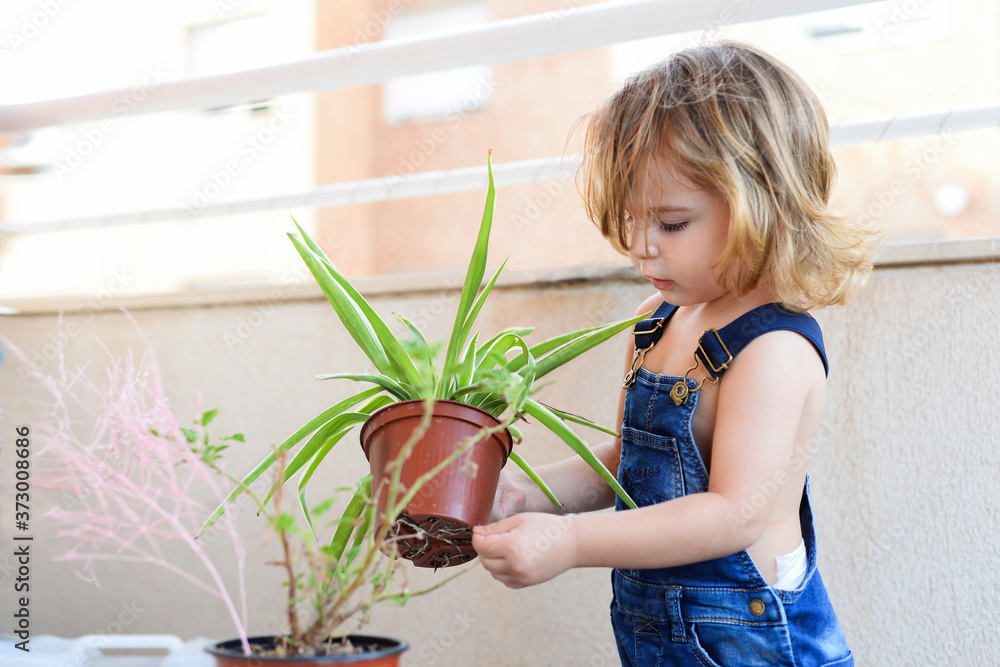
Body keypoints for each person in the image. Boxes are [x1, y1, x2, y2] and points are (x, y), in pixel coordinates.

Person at [470, 41, 878, 666]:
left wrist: (572, 542)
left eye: (671, 224)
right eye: (632, 220)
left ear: (762, 202)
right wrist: (523, 496)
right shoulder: (656, 323)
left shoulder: (771, 348)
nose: (640, 247)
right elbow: (622, 460)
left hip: (753, 644)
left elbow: (732, 515)